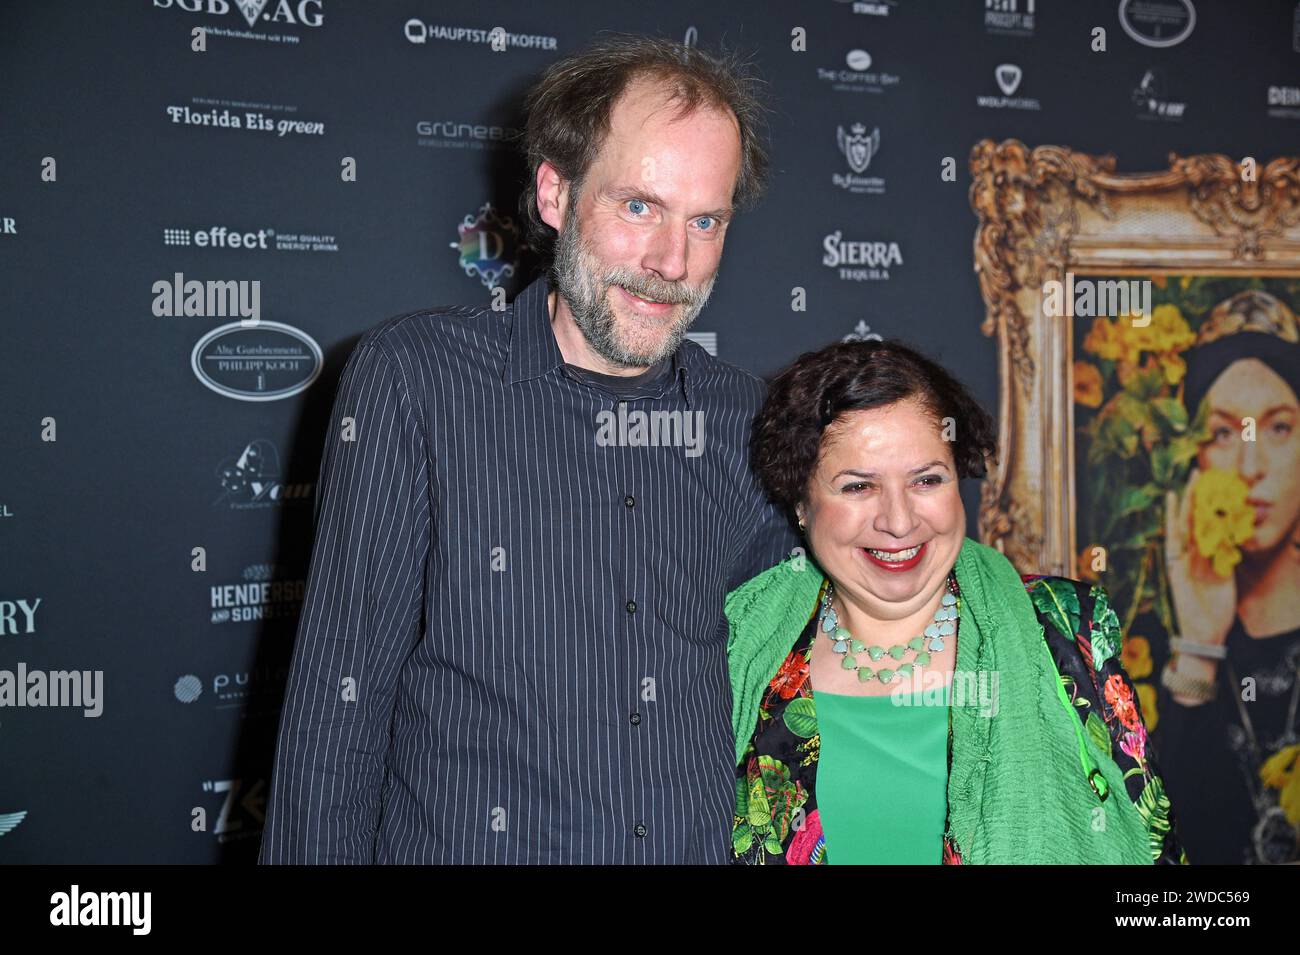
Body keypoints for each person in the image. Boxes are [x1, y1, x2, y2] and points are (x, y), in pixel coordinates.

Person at [258, 34, 798, 864]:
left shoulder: (743, 417)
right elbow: (340, 714)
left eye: (705, 221)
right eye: (639, 207)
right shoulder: (416, 382)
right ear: (555, 192)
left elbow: (833, 642)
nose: (670, 262)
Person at [725, 339, 1185, 864]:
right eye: (858, 487)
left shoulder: (1065, 627)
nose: (898, 521)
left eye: (927, 479)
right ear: (801, 503)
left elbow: (1152, 843)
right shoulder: (740, 647)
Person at [1156, 289, 1300, 864]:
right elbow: (1163, 853)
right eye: (1224, 434)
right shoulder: (1148, 632)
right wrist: (1198, 650)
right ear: (1196, 458)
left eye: (1280, 428)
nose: (1249, 465)